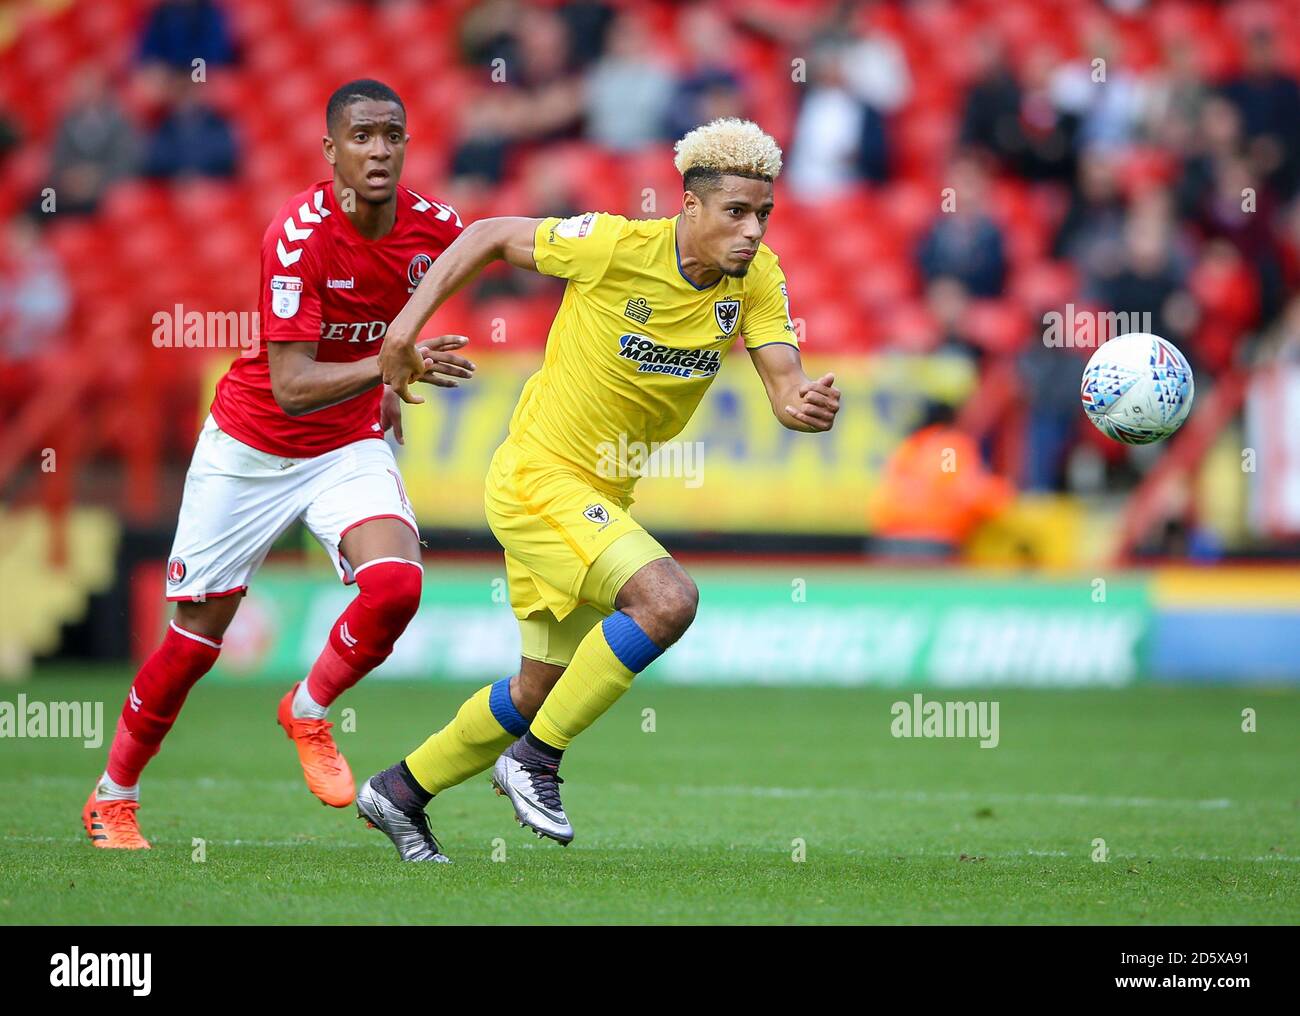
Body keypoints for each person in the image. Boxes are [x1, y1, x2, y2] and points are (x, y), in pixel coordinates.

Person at [359, 118, 841, 861]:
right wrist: (400, 335)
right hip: (537, 478)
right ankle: (534, 763)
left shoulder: (759, 279)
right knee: (667, 599)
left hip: (601, 496)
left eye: (763, 214)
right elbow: (486, 233)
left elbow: (784, 388)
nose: (752, 231)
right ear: (690, 208)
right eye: (736, 212)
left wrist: (803, 407)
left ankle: (398, 791)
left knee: (537, 691)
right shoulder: (614, 246)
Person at [83, 80, 474, 849]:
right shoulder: (296, 236)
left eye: (392, 135)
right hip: (253, 445)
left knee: (396, 584)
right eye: (361, 135)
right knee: (196, 639)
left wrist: (388, 377)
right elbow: (292, 386)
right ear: (330, 150)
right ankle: (113, 794)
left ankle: (309, 707)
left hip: (346, 444)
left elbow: (412, 299)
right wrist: (388, 365)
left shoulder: (436, 229)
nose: (380, 150)